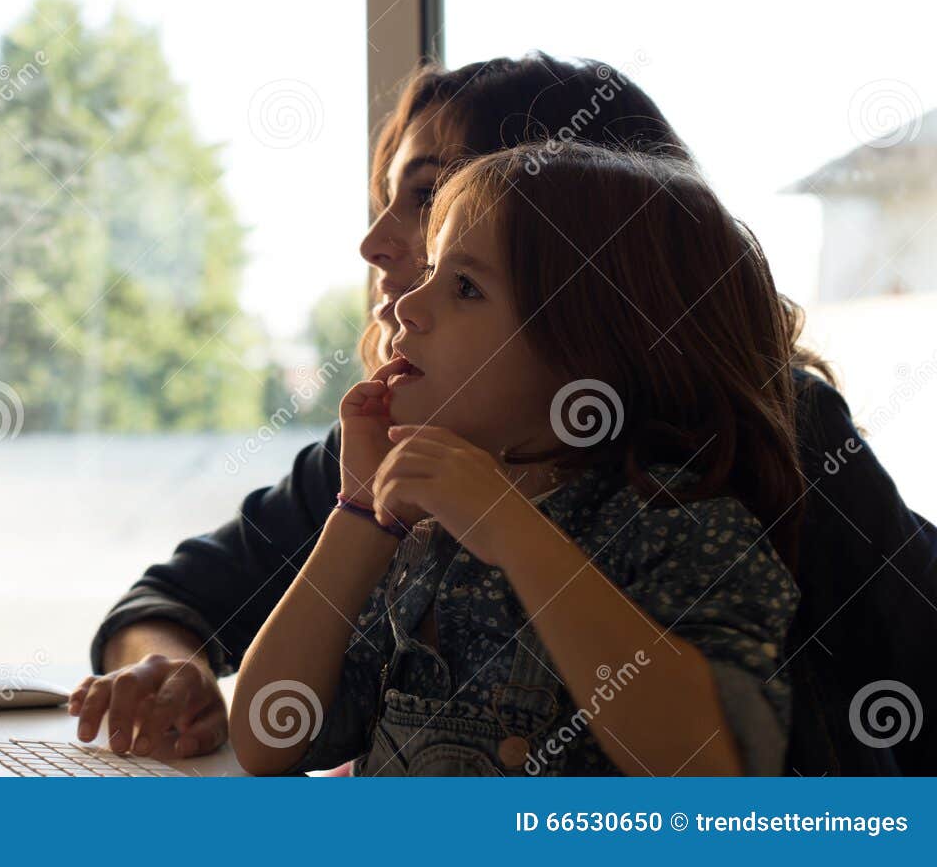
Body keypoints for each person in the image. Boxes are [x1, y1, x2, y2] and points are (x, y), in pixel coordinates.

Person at [74, 53, 937, 774]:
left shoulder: (744, 453)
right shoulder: (408, 480)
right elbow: (198, 626)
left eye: (430, 203)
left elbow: (742, 752)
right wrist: (176, 667)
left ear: (592, 304)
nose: (376, 246)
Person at [231, 141, 801, 775]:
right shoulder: (424, 537)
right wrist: (361, 513)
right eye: (427, 277)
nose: (405, 307)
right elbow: (267, 738)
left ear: (592, 350)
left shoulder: (677, 521)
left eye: (466, 287)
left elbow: (713, 774)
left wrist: (514, 532)